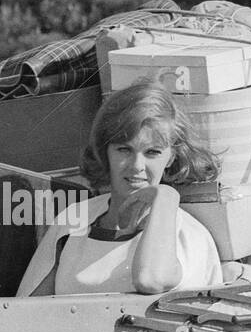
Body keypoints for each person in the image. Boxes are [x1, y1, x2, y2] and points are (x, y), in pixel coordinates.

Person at [17, 85, 223, 296]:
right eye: (124, 149)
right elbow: (24, 311)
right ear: (105, 151)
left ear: (170, 158)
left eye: (152, 152)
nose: (136, 166)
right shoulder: (75, 218)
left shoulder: (187, 233)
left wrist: (166, 197)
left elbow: (151, 280)